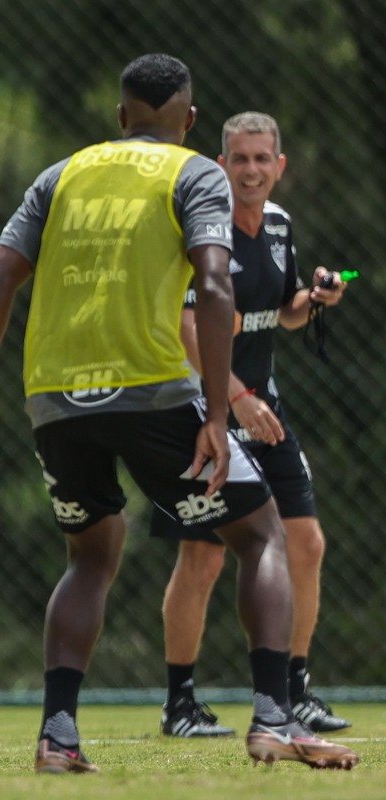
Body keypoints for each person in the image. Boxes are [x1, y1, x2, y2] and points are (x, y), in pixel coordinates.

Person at [0, 53, 358, 774]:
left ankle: (59, 735)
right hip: (154, 389)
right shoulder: (195, 172)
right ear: (191, 120)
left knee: (91, 554)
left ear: (119, 117)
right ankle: (272, 718)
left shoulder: (62, 173)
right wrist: (215, 408)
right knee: (262, 535)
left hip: (53, 396)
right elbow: (211, 278)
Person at [154, 111, 352, 738]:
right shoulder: (204, 232)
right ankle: (179, 701)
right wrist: (233, 397)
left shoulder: (280, 227)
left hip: (264, 409)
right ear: (220, 164)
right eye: (239, 158)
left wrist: (314, 298)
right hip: (206, 411)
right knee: (204, 556)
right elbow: (187, 330)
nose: (251, 170)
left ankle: (295, 691)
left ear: (279, 166)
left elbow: (286, 312)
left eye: (262, 159)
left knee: (307, 543)